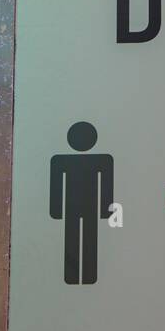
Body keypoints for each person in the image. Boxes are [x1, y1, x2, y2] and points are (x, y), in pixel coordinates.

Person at [50, 122, 114, 285]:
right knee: (75, 239)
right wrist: (56, 210)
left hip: (84, 207)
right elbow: (56, 185)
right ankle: (75, 276)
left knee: (88, 240)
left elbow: (106, 184)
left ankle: (87, 275)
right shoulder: (60, 161)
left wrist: (106, 211)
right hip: (78, 207)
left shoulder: (103, 160)